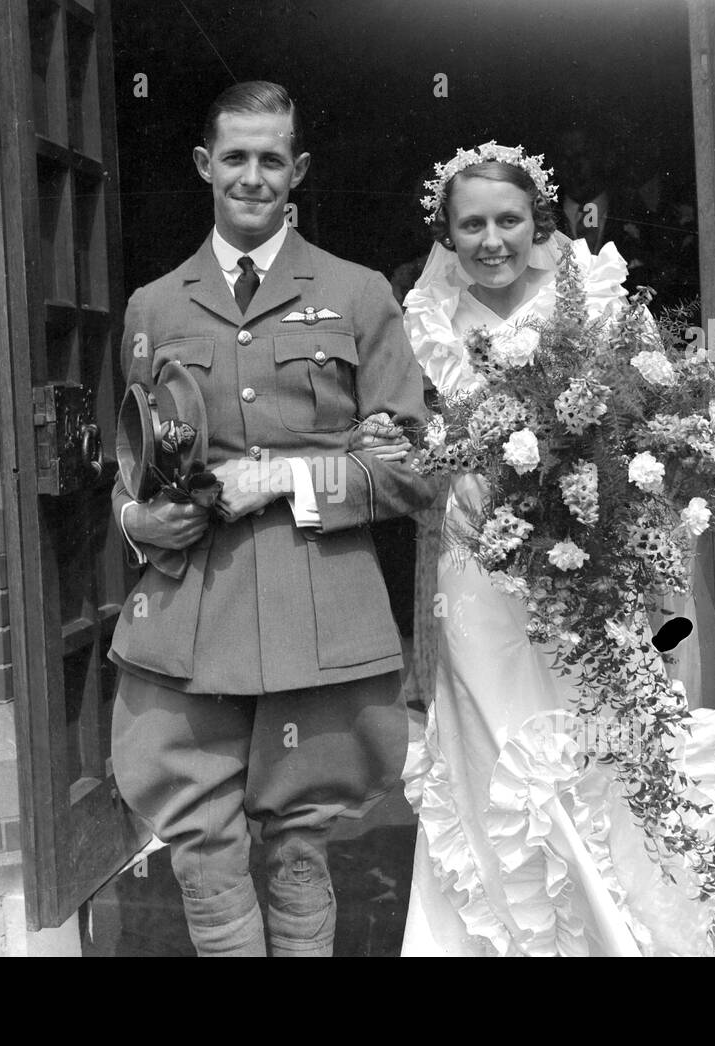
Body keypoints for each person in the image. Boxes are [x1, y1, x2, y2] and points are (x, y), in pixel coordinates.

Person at [396, 143, 715, 956]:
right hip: (478, 569)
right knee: (496, 740)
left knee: (604, 737)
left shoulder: (599, 298)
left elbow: (649, 419)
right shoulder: (426, 321)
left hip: (588, 567)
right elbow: (412, 443)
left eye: (508, 219)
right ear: (447, 230)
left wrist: (611, 510)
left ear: (537, 218)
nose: (492, 239)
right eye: (472, 224)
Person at [107, 81, 435, 957]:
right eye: (236, 158)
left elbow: (413, 472)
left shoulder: (358, 294)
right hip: (189, 611)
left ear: (299, 170)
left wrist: (284, 479)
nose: (253, 177)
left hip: (316, 609)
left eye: (272, 160)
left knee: (299, 846)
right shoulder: (154, 306)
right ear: (204, 166)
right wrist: (139, 521)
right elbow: (127, 457)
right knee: (201, 850)